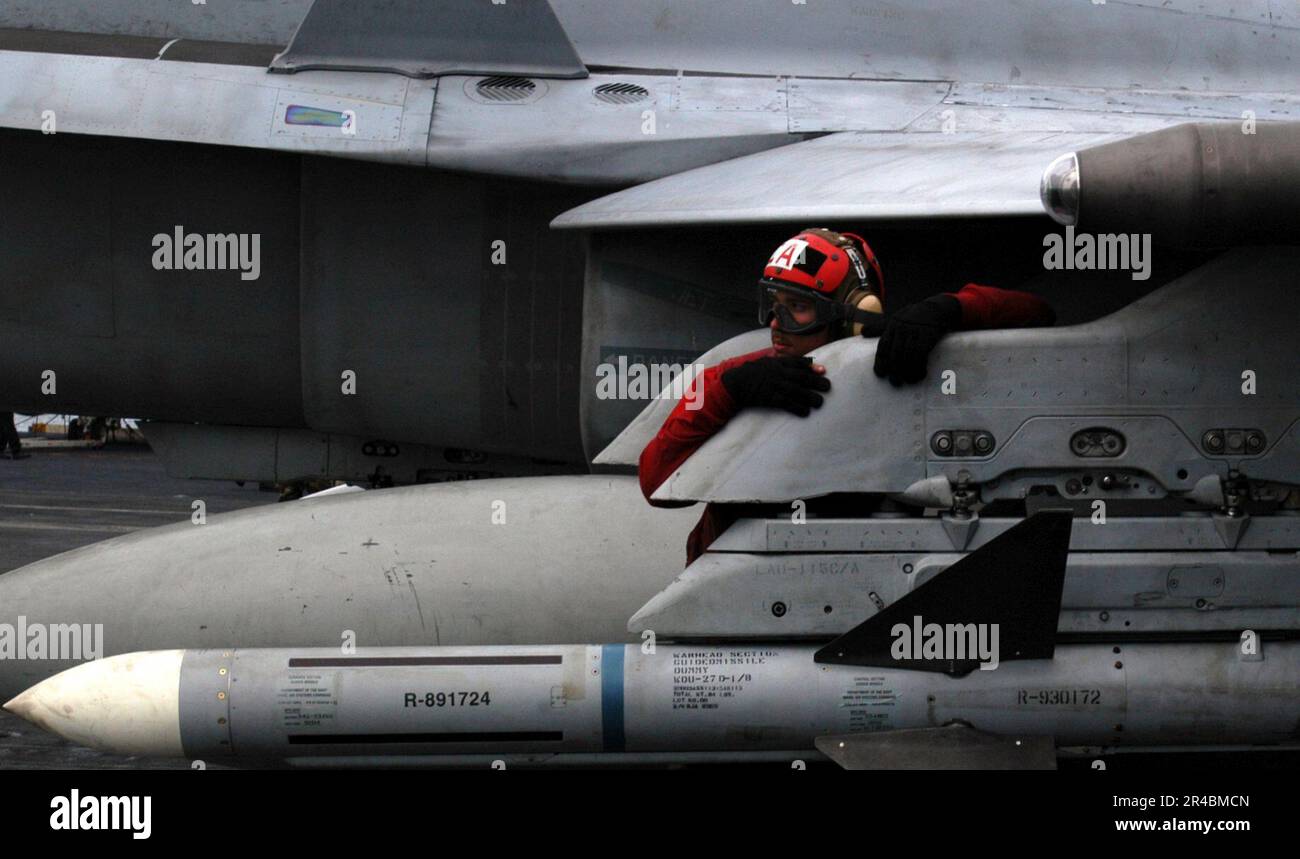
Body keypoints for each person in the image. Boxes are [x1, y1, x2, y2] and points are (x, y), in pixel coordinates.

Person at [639, 227, 1055, 566]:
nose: (775, 324)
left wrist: (954, 309)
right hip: (739, 587)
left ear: (857, 314)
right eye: (772, 303)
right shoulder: (733, 379)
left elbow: (1039, 313)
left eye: (797, 308)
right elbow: (655, 482)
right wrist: (729, 393)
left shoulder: (896, 364)